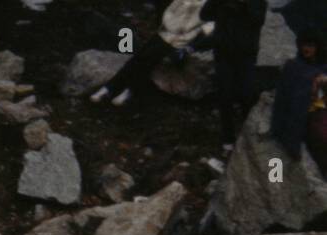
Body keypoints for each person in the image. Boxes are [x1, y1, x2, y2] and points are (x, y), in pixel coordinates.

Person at [91, 0, 214, 106]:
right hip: (166, 32)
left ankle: (127, 89)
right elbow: (170, 8)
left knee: (150, 58)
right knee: (141, 56)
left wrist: (191, 46)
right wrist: (166, 22)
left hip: (184, 40)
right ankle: (110, 87)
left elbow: (210, 26)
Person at [202, 0, 268, 147]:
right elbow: (205, 15)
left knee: (246, 96)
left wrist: (243, 5)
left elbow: (258, 19)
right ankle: (228, 138)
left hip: (246, 56)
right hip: (224, 54)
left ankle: (248, 137)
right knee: (224, 96)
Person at [271, 31, 327, 159]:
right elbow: (283, 97)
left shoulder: (323, 67)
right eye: (304, 45)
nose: (306, 49)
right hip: (304, 114)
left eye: (310, 45)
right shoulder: (293, 66)